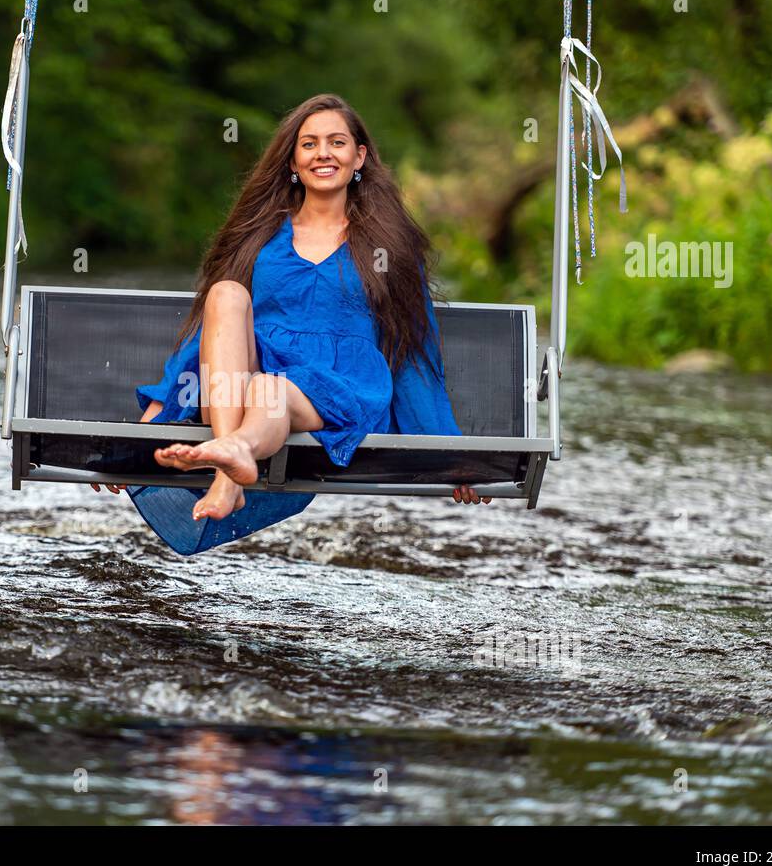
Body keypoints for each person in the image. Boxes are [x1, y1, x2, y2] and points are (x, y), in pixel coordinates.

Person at [94, 93, 490, 555]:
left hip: (340, 387)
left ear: (359, 156)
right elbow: (212, 334)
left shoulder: (388, 245)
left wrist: (449, 454)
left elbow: (415, 350)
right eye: (309, 144)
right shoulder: (261, 236)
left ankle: (229, 470)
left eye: (337, 142)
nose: (323, 153)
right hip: (246, 384)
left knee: (272, 390)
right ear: (293, 162)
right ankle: (232, 462)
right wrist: (157, 419)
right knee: (226, 295)